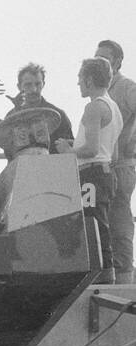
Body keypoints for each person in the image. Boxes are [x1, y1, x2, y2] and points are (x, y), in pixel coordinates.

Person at [63, 56, 124, 274]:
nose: (78, 83)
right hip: (106, 173)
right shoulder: (113, 108)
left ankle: (101, 273)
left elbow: (91, 150)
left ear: (89, 80)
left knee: (92, 224)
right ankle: (106, 270)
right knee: (100, 222)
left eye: (80, 78)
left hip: (92, 174)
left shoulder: (94, 108)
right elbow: (112, 152)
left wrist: (68, 151)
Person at [96, 41, 136, 283]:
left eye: (105, 58)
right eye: (97, 58)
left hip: (120, 168)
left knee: (119, 223)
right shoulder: (103, 91)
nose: (100, 62)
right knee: (105, 224)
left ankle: (124, 284)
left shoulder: (126, 88)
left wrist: (130, 143)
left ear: (117, 62)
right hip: (103, 169)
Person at [10, 62, 74, 145]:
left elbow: (69, 149)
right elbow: (8, 150)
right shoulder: (11, 118)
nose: (34, 89)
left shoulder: (59, 115)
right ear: (19, 87)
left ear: (43, 84)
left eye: (38, 84)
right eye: (28, 85)